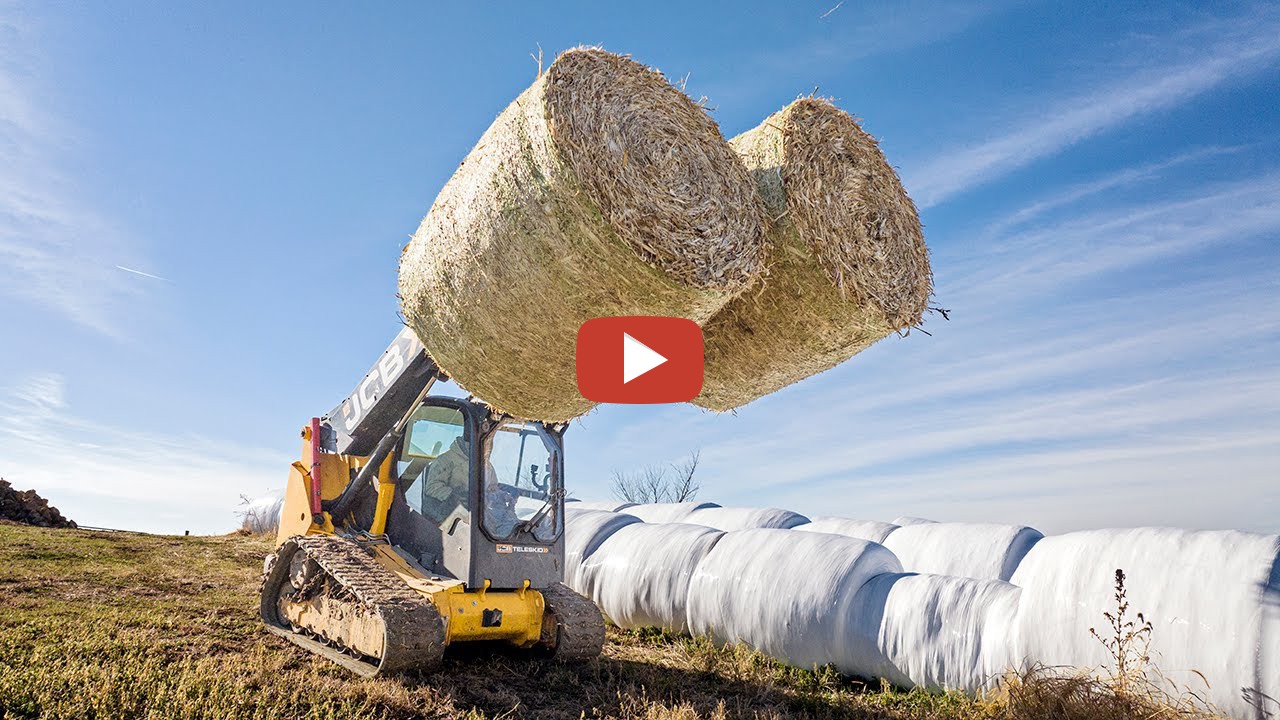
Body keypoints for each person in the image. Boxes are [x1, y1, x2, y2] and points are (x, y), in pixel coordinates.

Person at [421, 433, 518, 533]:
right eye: (485, 443)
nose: (488, 448)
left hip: (481, 512)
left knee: (509, 528)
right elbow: (432, 486)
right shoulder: (446, 460)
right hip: (452, 512)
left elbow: (492, 488)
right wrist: (454, 495)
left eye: (489, 444)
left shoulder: (487, 465)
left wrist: (501, 495)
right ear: (472, 442)